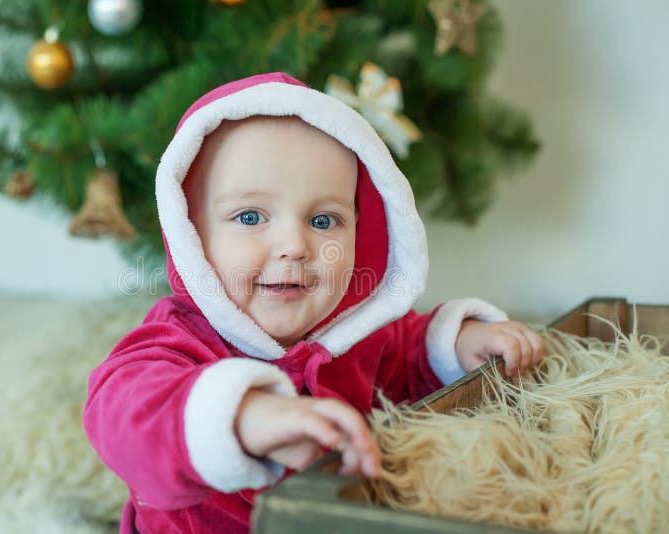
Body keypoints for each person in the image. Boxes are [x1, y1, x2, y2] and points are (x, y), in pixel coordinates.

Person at [83, 72, 545, 534]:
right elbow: (122, 414)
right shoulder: (175, 340)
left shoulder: (353, 328)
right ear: (193, 236)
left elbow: (404, 356)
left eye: (324, 220)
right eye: (250, 216)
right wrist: (242, 416)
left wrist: (458, 344)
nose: (295, 245)